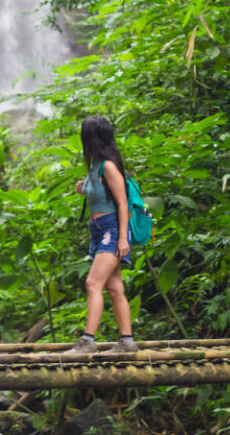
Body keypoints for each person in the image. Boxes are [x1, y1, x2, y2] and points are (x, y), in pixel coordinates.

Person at [64, 115, 139, 354]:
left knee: (92, 283)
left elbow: (122, 203)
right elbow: (100, 195)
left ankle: (88, 342)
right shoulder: (95, 165)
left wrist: (122, 238)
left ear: (90, 139)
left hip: (111, 229)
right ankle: (126, 342)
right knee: (114, 287)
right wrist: (83, 188)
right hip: (98, 231)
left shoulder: (108, 165)